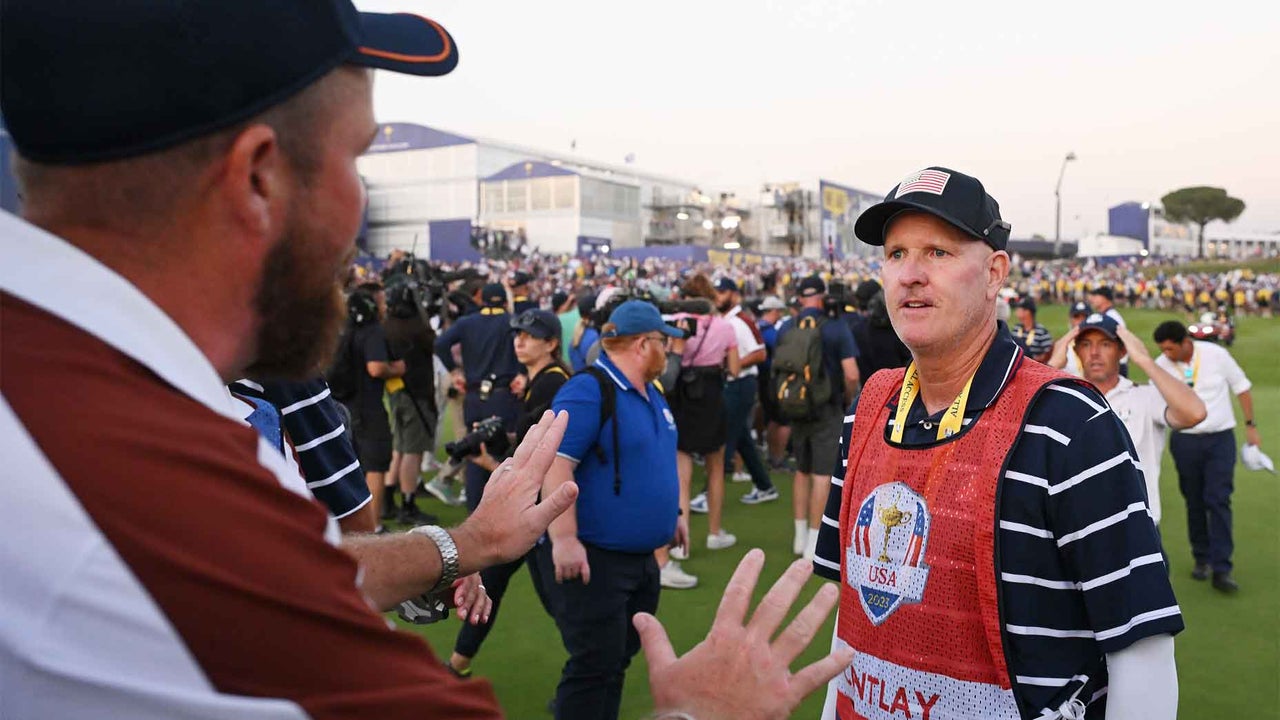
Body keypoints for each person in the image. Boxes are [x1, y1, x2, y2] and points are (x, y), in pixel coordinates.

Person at [0, 3, 851, 718]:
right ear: (259, 178)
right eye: (357, 156)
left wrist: (463, 543)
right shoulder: (136, 486)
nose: (362, 207)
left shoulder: (81, 390)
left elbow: (305, 567)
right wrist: (698, 713)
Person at [814, 166, 1181, 719]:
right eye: (895, 254)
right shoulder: (868, 408)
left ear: (993, 273)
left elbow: (1142, 648)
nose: (910, 274)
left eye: (937, 252)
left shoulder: (1069, 422)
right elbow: (855, 621)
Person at [540, 300, 685, 720]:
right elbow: (556, 461)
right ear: (642, 344)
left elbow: (652, 458)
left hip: (639, 560)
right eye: (663, 341)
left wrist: (672, 516)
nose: (669, 350)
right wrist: (564, 538)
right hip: (596, 559)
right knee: (594, 666)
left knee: (614, 660)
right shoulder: (589, 389)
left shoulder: (649, 391)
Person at [447, 309, 568, 678]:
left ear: (551, 344)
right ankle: (457, 664)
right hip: (533, 506)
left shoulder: (551, 383)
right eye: (518, 334)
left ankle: (593, 668)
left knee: (558, 600)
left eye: (530, 336)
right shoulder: (540, 380)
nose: (520, 340)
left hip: (541, 507)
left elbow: (547, 454)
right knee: (494, 581)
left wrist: (490, 463)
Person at [1068, 314, 1206, 526]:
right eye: (1086, 345)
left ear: (1122, 351)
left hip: (1138, 526)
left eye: (1105, 344)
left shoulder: (1144, 396)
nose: (1094, 353)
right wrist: (1051, 364)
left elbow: (1194, 413)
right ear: (1077, 351)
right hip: (1080, 529)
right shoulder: (1066, 399)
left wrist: (1145, 360)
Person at [1154, 320, 1261, 593]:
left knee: (1219, 499)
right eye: (1162, 350)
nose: (1166, 354)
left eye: (1169, 349)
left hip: (1219, 438)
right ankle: (1201, 558)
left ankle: (1222, 568)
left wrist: (1251, 426)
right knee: (1194, 500)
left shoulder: (1216, 354)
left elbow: (1242, 386)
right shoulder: (1161, 364)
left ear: (1184, 343)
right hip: (1185, 441)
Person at [775, 275, 859, 559]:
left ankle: (800, 537)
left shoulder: (788, 326)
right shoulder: (836, 327)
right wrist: (849, 400)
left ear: (799, 298)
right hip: (827, 407)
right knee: (823, 474)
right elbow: (851, 374)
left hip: (796, 406)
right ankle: (814, 541)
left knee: (802, 470)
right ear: (823, 296)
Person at [433, 282, 523, 517]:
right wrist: (523, 372)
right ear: (504, 301)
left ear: (482, 299)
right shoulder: (512, 321)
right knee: (503, 453)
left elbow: (440, 344)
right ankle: (504, 509)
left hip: (473, 397)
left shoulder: (467, 322)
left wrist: (455, 371)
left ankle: (475, 512)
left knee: (474, 451)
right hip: (503, 396)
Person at [673, 274, 740, 557]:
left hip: (680, 395)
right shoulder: (724, 327)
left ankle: (680, 544)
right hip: (711, 395)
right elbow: (735, 370)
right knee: (715, 468)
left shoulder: (675, 321)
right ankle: (714, 532)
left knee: (682, 474)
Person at [341, 282, 406, 529]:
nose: (384, 307)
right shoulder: (372, 332)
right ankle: (372, 528)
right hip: (367, 409)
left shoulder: (341, 330)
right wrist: (396, 369)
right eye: (381, 301)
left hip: (340, 407)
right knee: (375, 467)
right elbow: (376, 367)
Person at [714, 278, 779, 505]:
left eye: (722, 292)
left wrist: (732, 364)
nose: (717, 296)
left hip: (741, 382)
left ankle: (707, 494)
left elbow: (760, 353)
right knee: (741, 438)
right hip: (735, 382)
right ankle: (765, 485)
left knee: (724, 438)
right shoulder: (729, 319)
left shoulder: (740, 321)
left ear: (733, 294)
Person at [383, 280, 440, 525]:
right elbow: (432, 340)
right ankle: (408, 503)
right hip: (416, 394)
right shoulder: (417, 327)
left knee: (401, 447)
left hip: (397, 393)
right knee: (411, 452)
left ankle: (387, 499)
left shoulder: (386, 326)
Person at [756, 295, 793, 469]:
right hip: (774, 379)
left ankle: (772, 455)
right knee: (784, 420)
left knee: (772, 419)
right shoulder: (770, 332)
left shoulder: (758, 327)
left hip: (762, 378)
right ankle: (778, 458)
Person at [1047, 300, 1090, 376]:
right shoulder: (1062, 346)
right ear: (1070, 319)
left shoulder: (1099, 346)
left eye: (1085, 317)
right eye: (1076, 317)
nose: (1081, 321)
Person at [1009, 297, 1053, 363]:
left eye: (1018, 309)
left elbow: (1049, 354)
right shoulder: (1016, 329)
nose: (1016, 311)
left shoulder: (1042, 332)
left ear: (1027, 312)